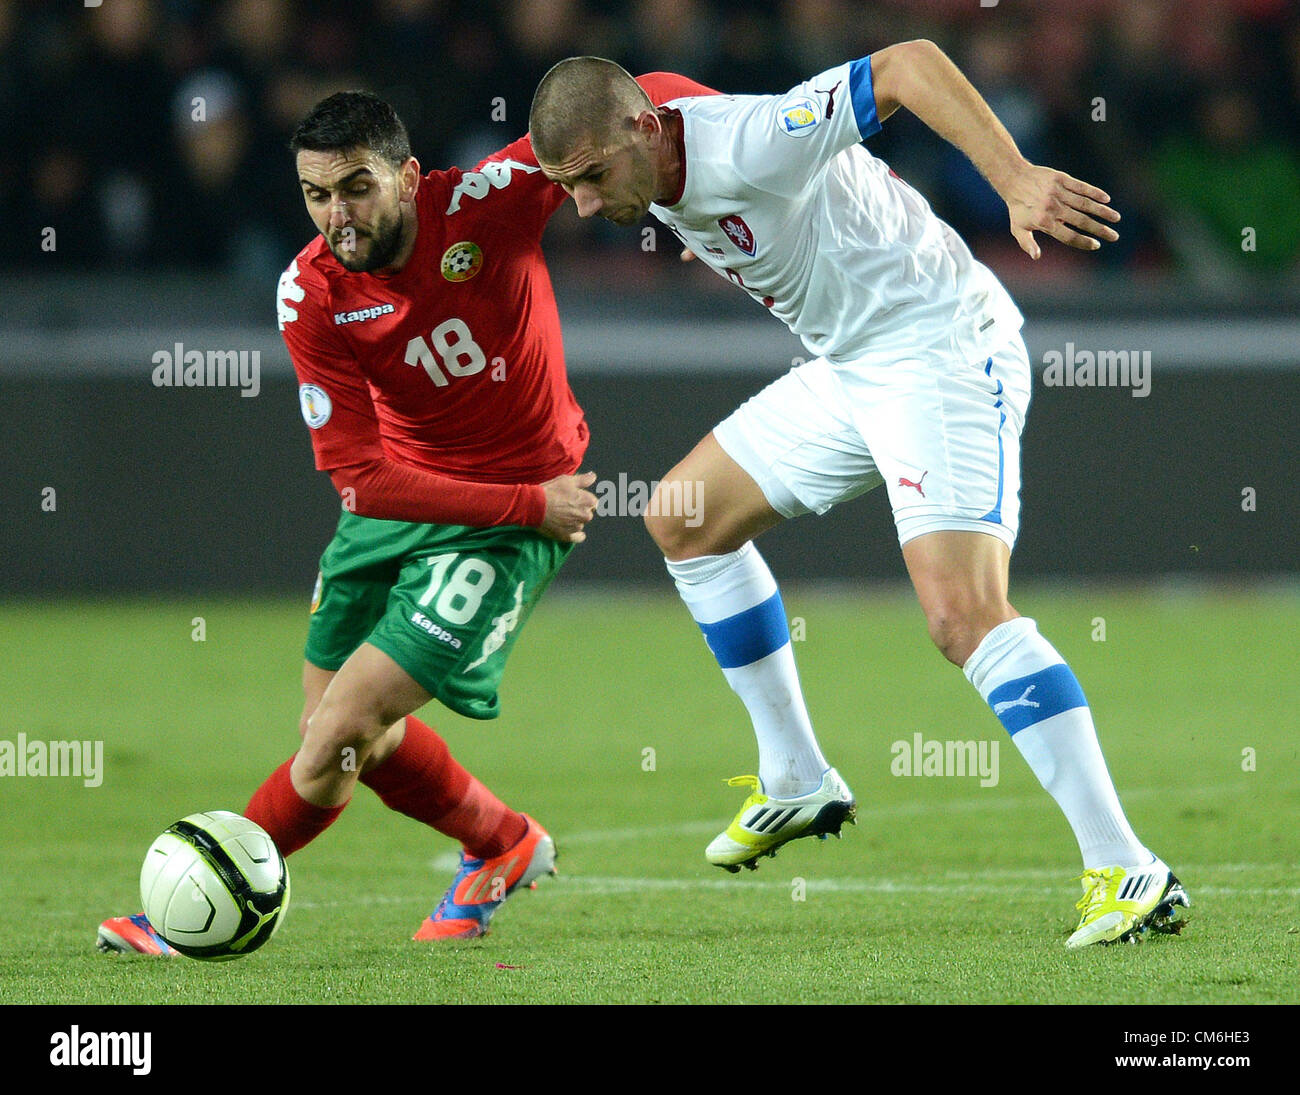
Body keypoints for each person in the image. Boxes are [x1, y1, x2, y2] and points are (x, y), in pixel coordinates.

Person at [528, 47, 1190, 948]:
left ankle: (1128, 868)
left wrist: (1016, 178)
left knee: (963, 616)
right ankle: (797, 775)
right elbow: (550, 151)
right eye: (568, 185)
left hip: (942, 347)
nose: (588, 205)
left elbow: (911, 65)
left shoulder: (753, 142)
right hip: (854, 367)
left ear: (644, 127)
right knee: (683, 515)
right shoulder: (643, 144)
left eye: (595, 177)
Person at [98, 77, 707, 955]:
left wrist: (713, 191)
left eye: (356, 188)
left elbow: (638, 93)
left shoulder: (486, 201)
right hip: (419, 501)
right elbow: (358, 479)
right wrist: (528, 502)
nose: (336, 216)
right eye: (316, 195)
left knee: (341, 730)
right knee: (339, 738)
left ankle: (195, 907)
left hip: (510, 523)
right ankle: (504, 842)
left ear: (408, 175)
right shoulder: (311, 292)